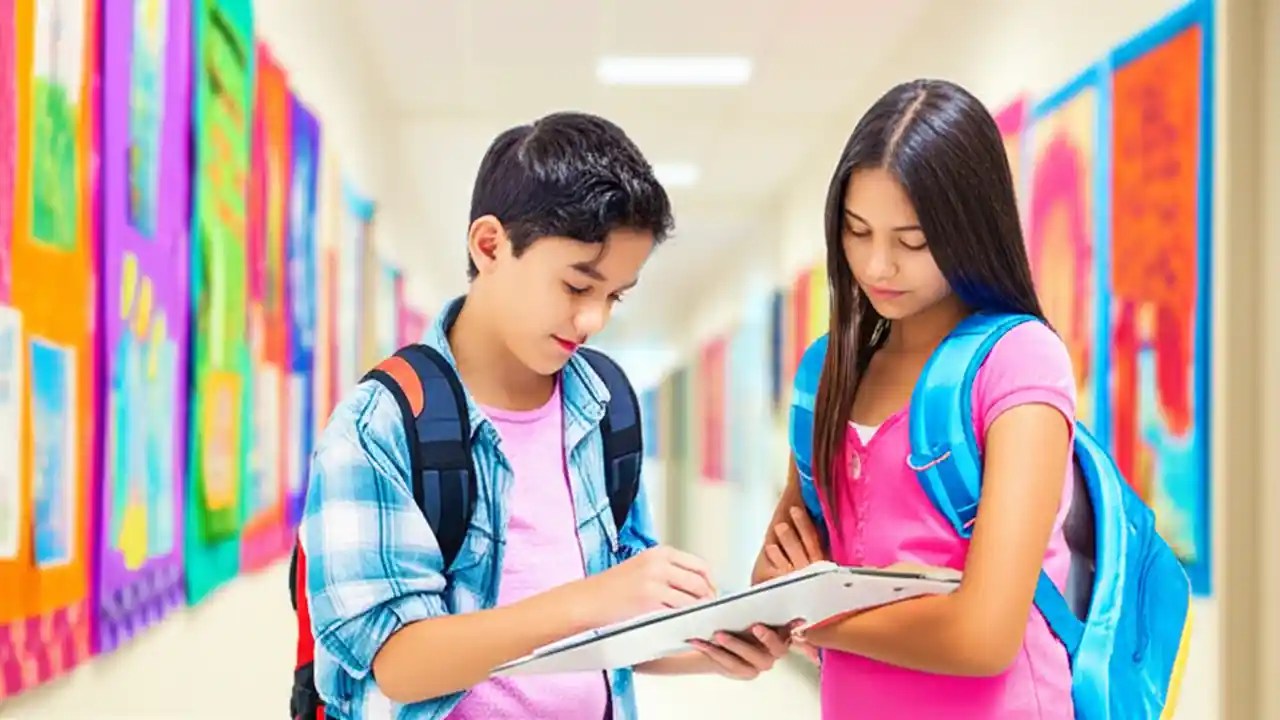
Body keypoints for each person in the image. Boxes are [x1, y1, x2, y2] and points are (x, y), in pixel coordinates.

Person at [302, 111, 795, 720]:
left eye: (614, 295)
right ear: (490, 246)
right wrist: (594, 597)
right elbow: (398, 664)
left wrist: (709, 646)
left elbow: (612, 629)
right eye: (576, 286)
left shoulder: (604, 406)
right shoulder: (379, 424)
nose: (594, 321)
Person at [753, 79, 1078, 719]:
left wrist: (821, 614)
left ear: (969, 229)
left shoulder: (1018, 362)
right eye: (857, 231)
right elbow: (774, 582)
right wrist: (796, 603)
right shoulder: (829, 371)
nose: (877, 267)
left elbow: (982, 637)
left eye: (913, 241)